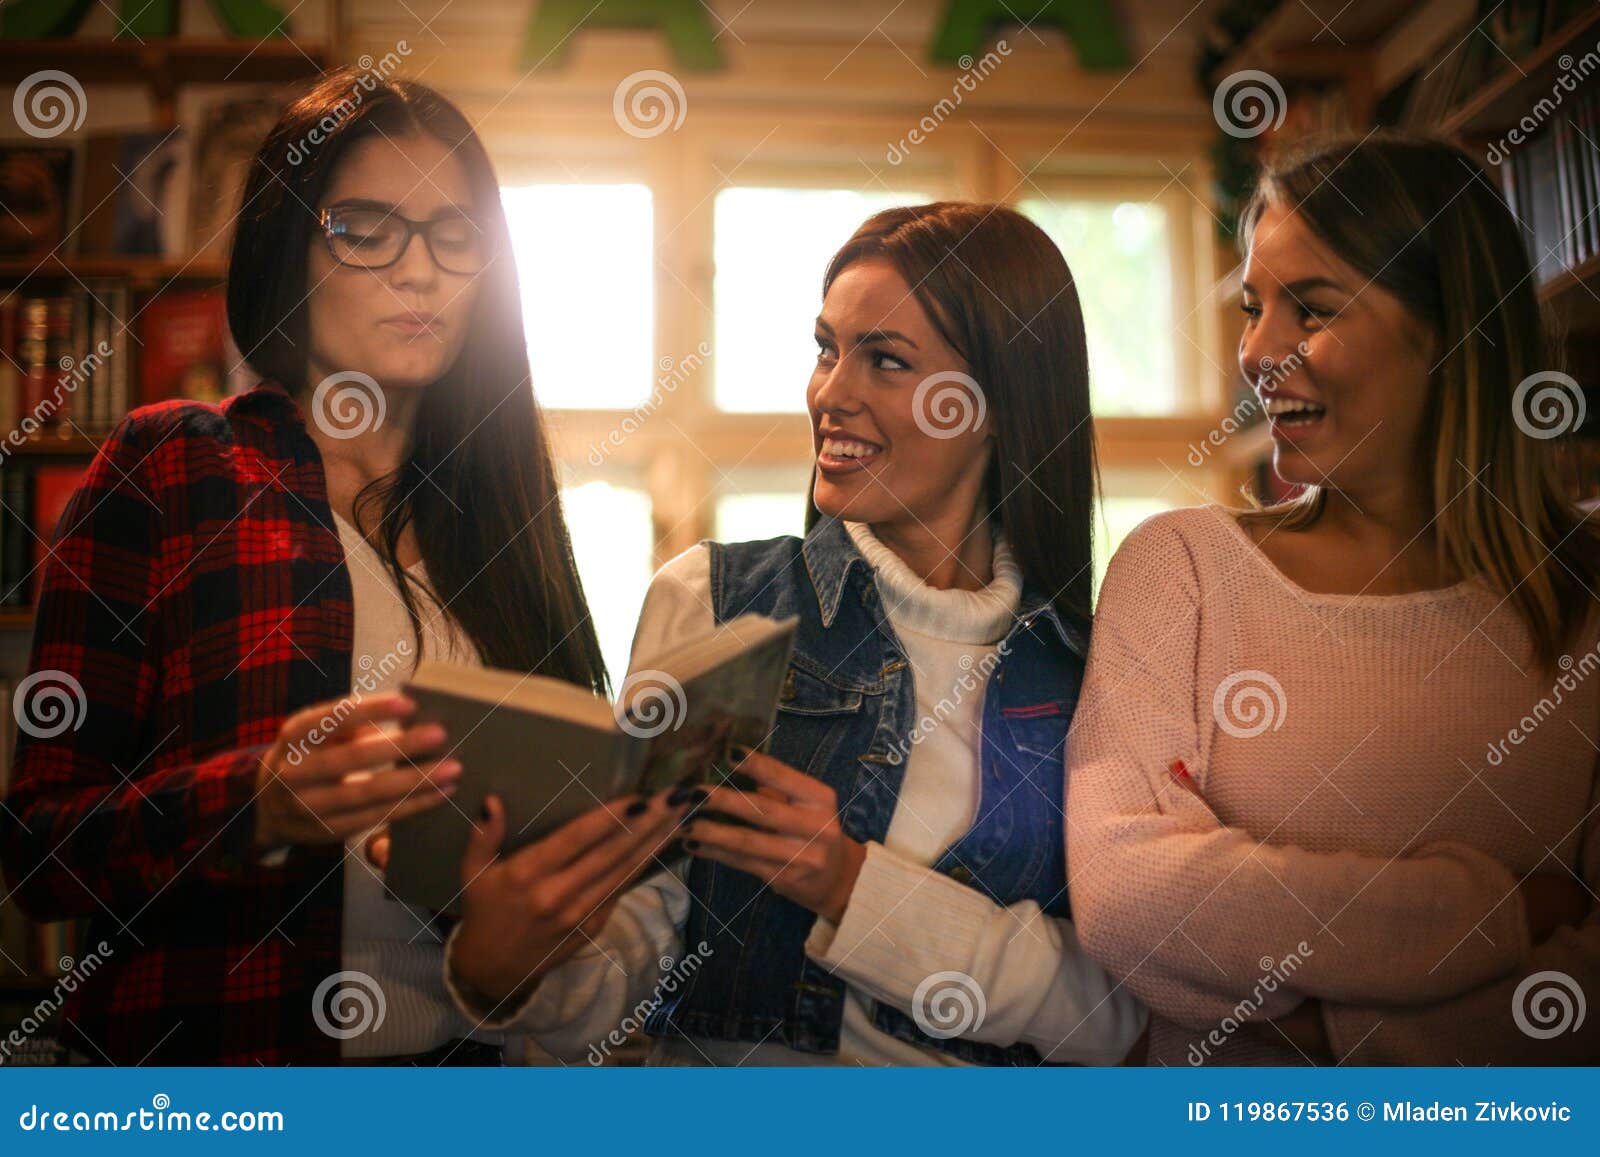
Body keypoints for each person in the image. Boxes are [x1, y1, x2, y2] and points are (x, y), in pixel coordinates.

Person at [0, 71, 686, 1065]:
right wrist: (258, 802)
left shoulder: (498, 522)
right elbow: (39, 846)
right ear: (290, 253)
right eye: (366, 228)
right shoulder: (176, 465)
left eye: (456, 235)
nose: (421, 272)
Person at [445, 201, 1146, 1065]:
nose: (832, 393)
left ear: (997, 404)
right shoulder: (714, 600)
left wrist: (854, 886)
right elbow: (650, 934)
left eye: (884, 360)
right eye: (827, 349)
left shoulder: (1091, 668)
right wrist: (515, 973)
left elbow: (1118, 1011)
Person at [1068, 131, 1599, 1065]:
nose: (1256, 352)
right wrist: (1502, 912)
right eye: (1251, 307)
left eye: (1310, 309)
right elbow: (1131, 898)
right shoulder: (1181, 569)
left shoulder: (1583, 601)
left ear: (1450, 330)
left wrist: (1333, 1034)